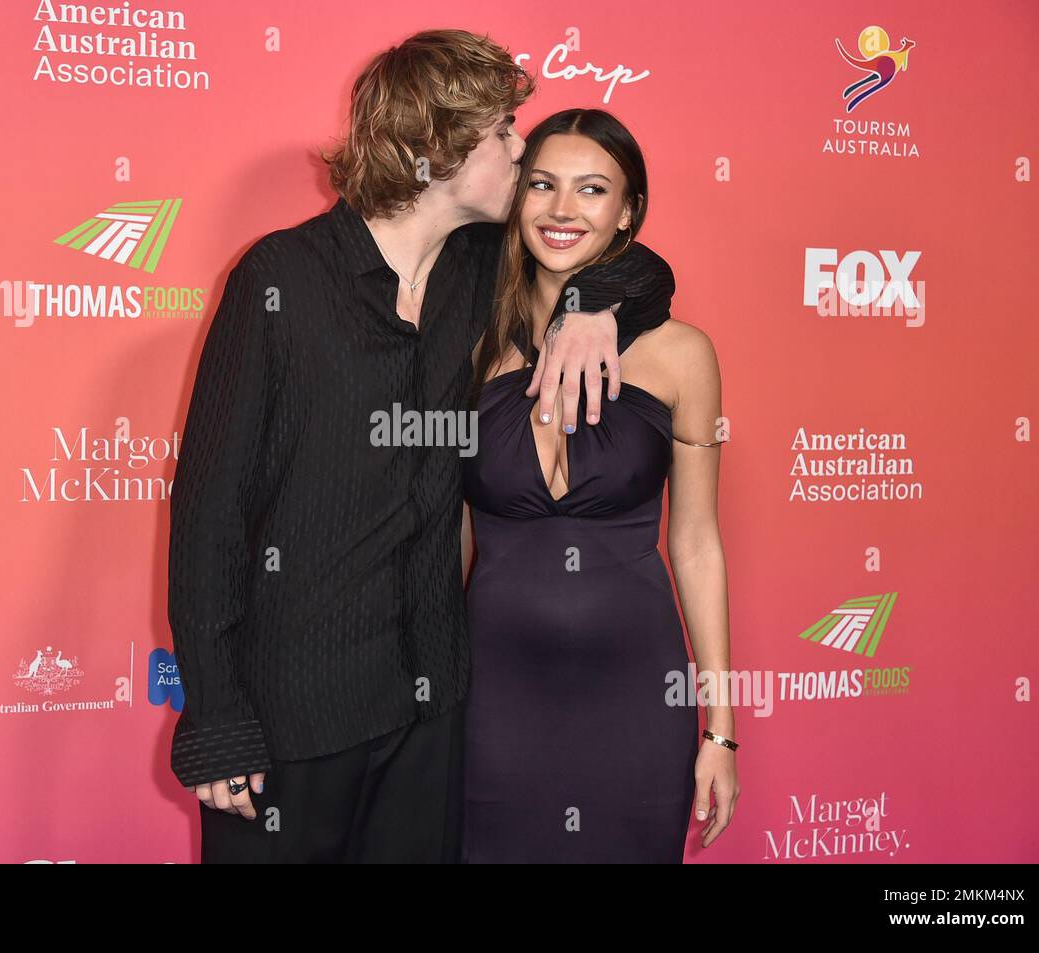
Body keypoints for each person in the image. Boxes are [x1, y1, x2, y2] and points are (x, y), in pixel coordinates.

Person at [167, 31, 665, 863]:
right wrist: (216, 714)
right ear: (437, 148)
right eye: (505, 132)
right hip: (294, 714)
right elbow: (209, 514)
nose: (522, 150)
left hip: (429, 715)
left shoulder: (481, 270)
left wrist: (594, 307)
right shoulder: (279, 278)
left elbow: (643, 264)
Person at [460, 108, 740, 862]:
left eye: (592, 190)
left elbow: (697, 544)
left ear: (628, 213)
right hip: (490, 706)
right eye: (542, 184)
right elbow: (446, 547)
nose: (561, 210)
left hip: (637, 701)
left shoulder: (682, 356)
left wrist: (719, 728)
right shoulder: (471, 345)